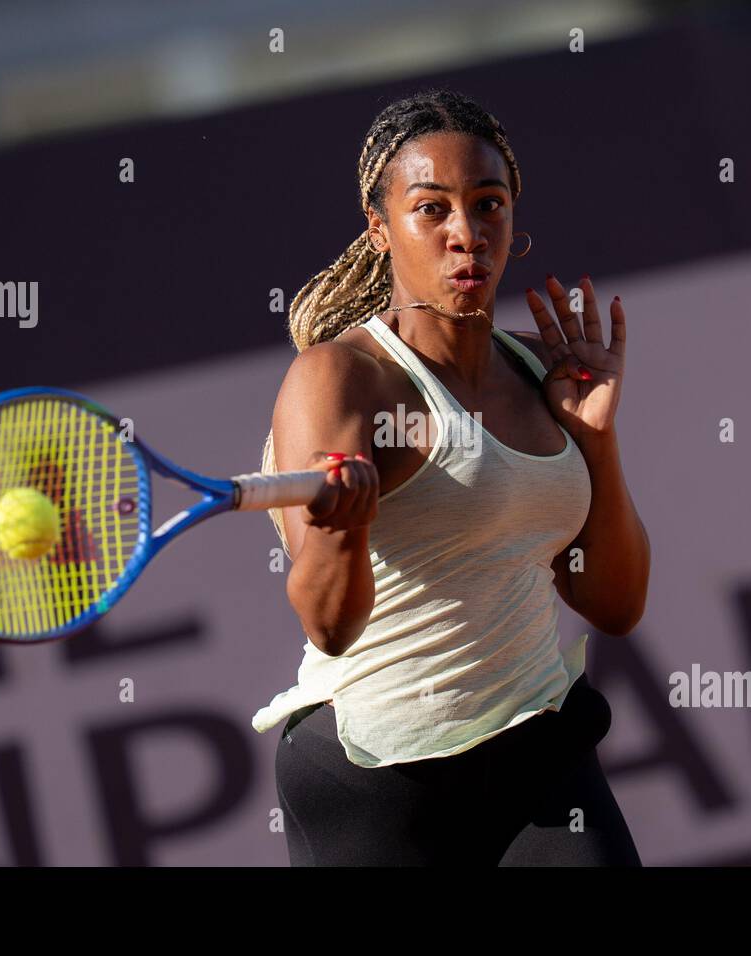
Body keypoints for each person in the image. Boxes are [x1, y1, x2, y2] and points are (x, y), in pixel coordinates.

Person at [251, 88, 650, 865]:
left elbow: (615, 604)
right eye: (431, 210)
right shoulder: (338, 380)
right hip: (379, 779)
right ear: (380, 229)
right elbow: (328, 625)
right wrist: (343, 529)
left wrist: (596, 443)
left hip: (539, 750)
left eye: (488, 204)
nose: (466, 234)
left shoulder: (544, 370)